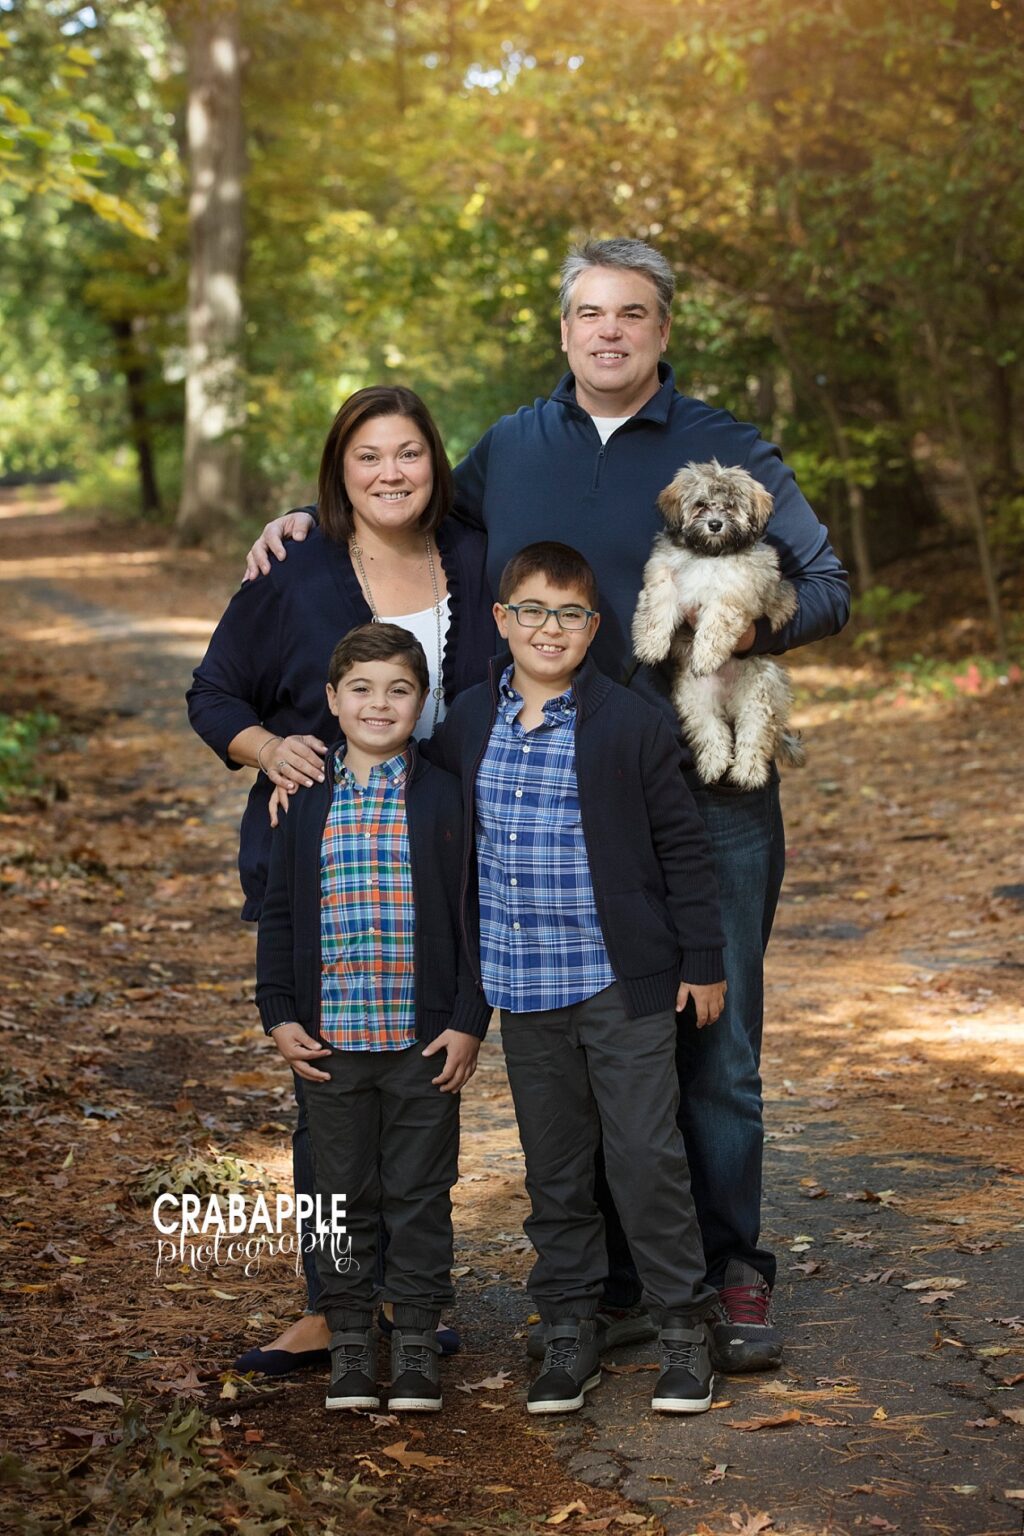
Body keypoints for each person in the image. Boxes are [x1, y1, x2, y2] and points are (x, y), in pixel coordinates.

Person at [243, 237, 852, 1373]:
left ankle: (731, 1277)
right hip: (545, 800)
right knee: (581, 1049)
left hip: (706, 788)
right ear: (563, 328)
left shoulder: (727, 444)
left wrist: (736, 635)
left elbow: (828, 584)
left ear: (662, 332)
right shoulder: (510, 447)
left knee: (714, 1045)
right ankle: (613, 1286)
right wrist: (297, 517)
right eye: (587, 312)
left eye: (631, 313)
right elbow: (404, 511)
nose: (608, 331)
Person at [187, 385, 495, 1374]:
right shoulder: (296, 566)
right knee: (327, 1091)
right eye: (368, 457)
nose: (390, 474)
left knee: (422, 1092)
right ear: (340, 469)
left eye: (408, 453)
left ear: (433, 463)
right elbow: (212, 691)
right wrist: (268, 748)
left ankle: (412, 1299)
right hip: (326, 862)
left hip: (449, 861)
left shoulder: (476, 555)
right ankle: (330, 1302)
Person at [428, 541, 725, 1415]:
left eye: (567, 615)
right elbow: (448, 853)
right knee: (556, 1170)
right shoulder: (467, 722)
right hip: (522, 989)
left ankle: (682, 1326)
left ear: (593, 627)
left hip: (619, 983)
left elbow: (682, 849)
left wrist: (702, 960)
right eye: (530, 611)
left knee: (644, 1158)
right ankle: (569, 1324)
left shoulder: (630, 724)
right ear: (501, 620)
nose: (547, 629)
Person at [257, 623, 490, 1412]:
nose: (379, 704)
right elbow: (282, 913)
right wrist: (278, 1011)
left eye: (398, 689)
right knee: (340, 1191)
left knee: (420, 1193)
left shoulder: (444, 796)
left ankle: (417, 1339)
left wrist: (468, 1017)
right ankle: (351, 1338)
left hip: (422, 1041)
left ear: (421, 704)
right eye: (360, 688)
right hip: (331, 1042)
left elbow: (471, 916)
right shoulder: (304, 796)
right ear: (332, 699)